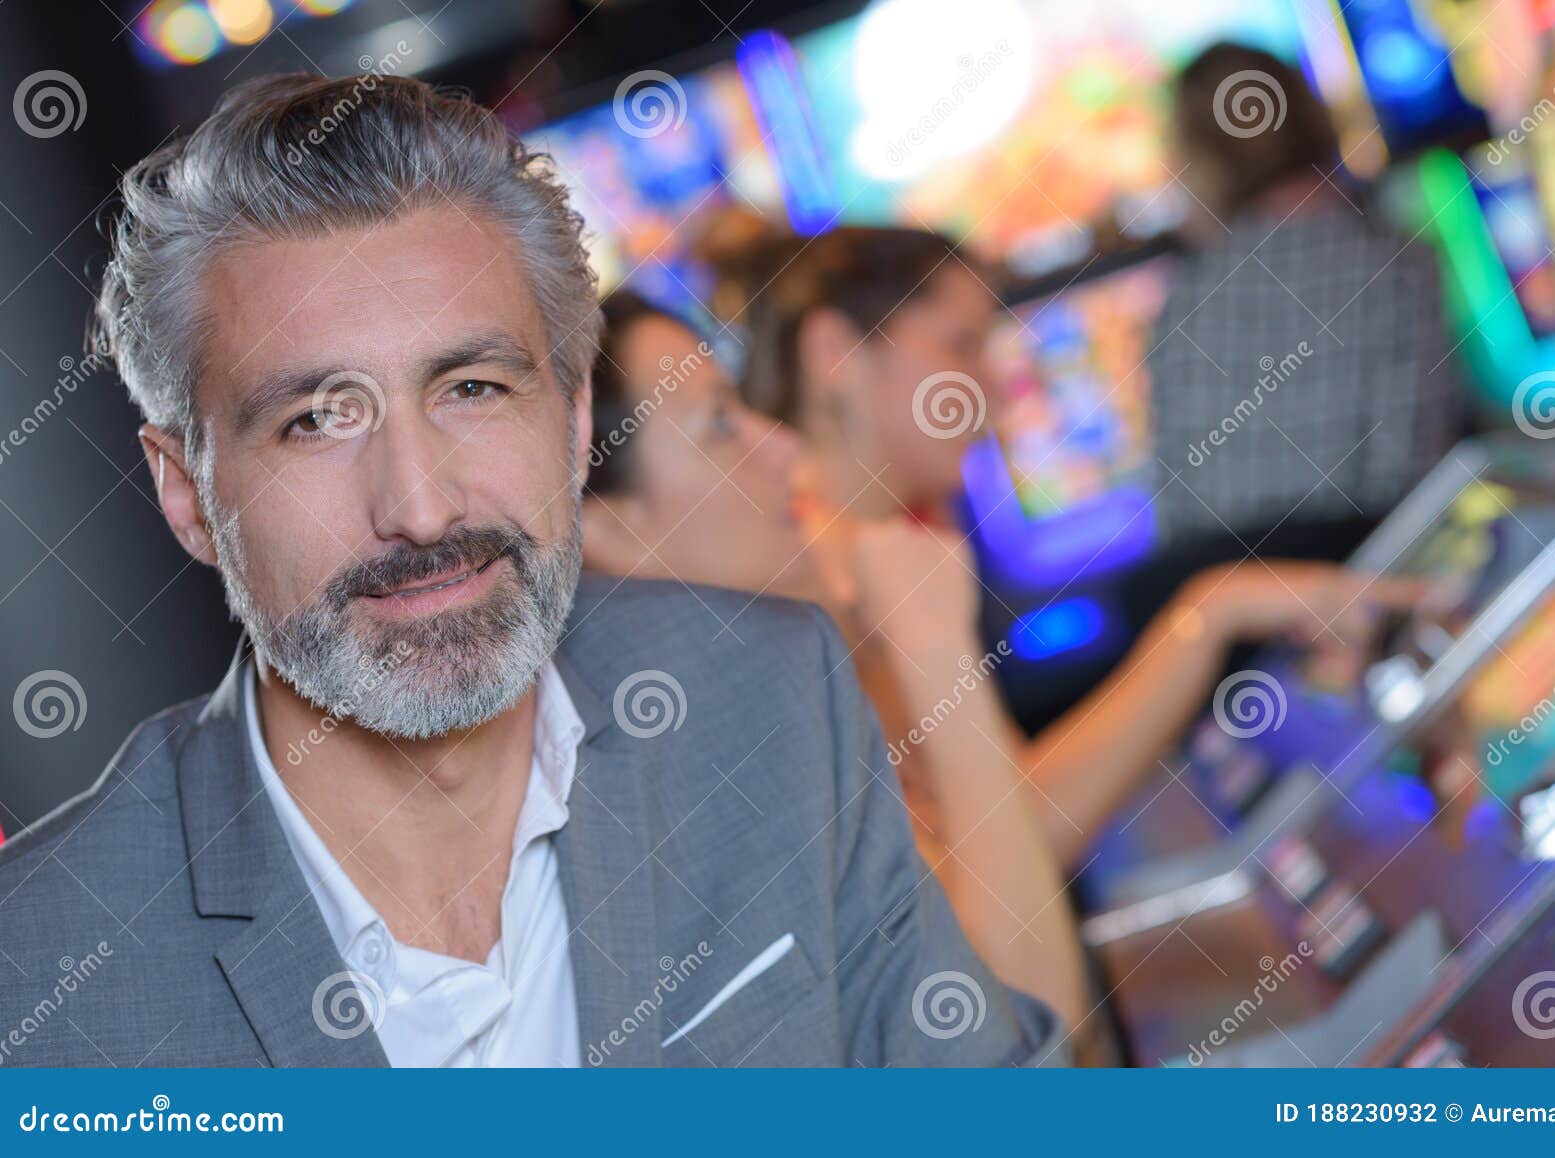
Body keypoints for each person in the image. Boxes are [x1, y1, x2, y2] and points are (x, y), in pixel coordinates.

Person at [0, 75, 1062, 1068]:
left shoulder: (766, 700)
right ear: (187, 493)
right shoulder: (43, 976)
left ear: (575, 422)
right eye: (316, 419)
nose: (420, 509)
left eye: (472, 388)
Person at [582, 285, 1424, 1045]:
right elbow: (1023, 1037)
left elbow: (993, 842)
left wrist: (1209, 615)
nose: (778, 449)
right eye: (959, 343)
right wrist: (933, 645)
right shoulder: (709, 767)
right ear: (606, 532)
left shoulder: (772, 667)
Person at [1148, 42, 1458, 552]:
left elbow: (1179, 525)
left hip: (1237, 616)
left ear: (1199, 160)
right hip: (1371, 598)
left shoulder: (1181, 304)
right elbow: (1414, 497)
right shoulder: (1399, 268)